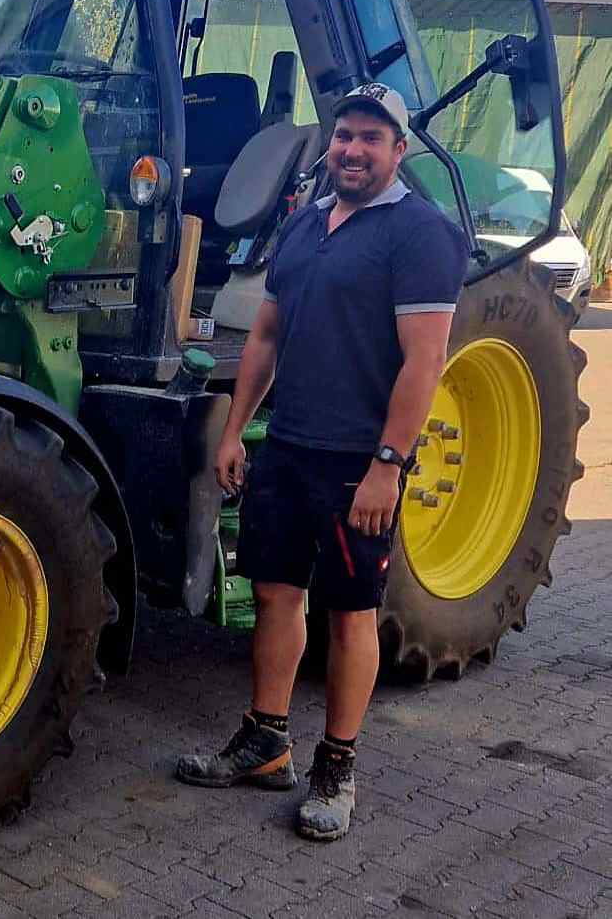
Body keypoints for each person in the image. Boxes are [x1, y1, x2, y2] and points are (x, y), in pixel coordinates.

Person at [175, 82, 469, 842]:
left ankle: (335, 767)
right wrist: (236, 430)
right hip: (290, 446)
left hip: (355, 462)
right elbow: (265, 337)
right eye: (344, 134)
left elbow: (423, 362)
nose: (353, 148)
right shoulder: (304, 228)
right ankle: (265, 741)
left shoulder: (420, 234)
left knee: (349, 613)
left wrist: (385, 464)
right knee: (274, 594)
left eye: (372, 137)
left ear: (398, 150)